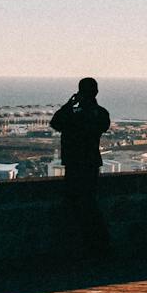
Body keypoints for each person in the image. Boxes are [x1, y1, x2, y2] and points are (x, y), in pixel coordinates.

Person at [49, 77, 112, 256]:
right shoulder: (100, 113)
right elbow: (102, 126)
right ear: (96, 92)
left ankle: (85, 246)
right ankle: (98, 245)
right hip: (90, 163)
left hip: (74, 164)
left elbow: (55, 122)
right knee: (89, 203)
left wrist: (69, 104)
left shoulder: (73, 114)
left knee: (75, 205)